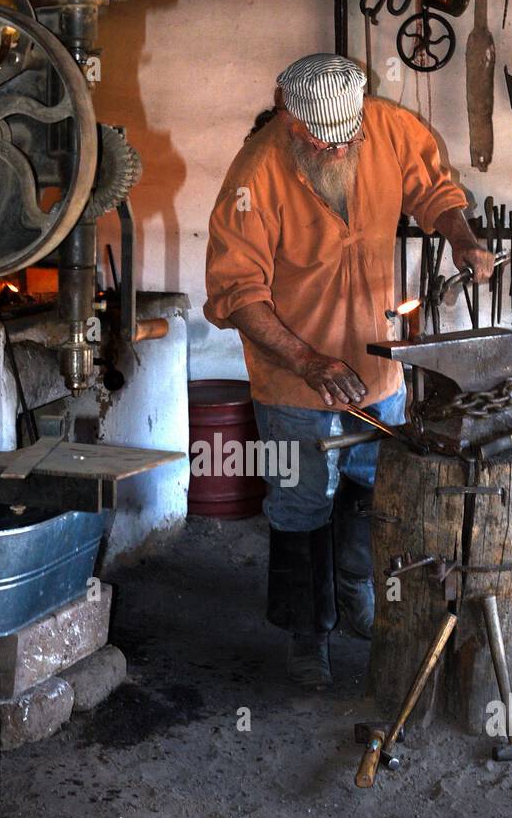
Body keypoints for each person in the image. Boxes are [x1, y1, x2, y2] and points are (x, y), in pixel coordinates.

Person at [204, 53, 494, 687]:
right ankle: (307, 634)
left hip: (377, 366)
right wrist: (306, 359)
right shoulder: (255, 171)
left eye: (345, 136)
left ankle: (355, 593)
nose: (332, 147)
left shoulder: (387, 129)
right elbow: (235, 292)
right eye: (316, 137)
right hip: (292, 377)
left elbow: (434, 189)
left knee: (372, 488)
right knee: (300, 503)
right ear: (287, 109)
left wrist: (461, 237)